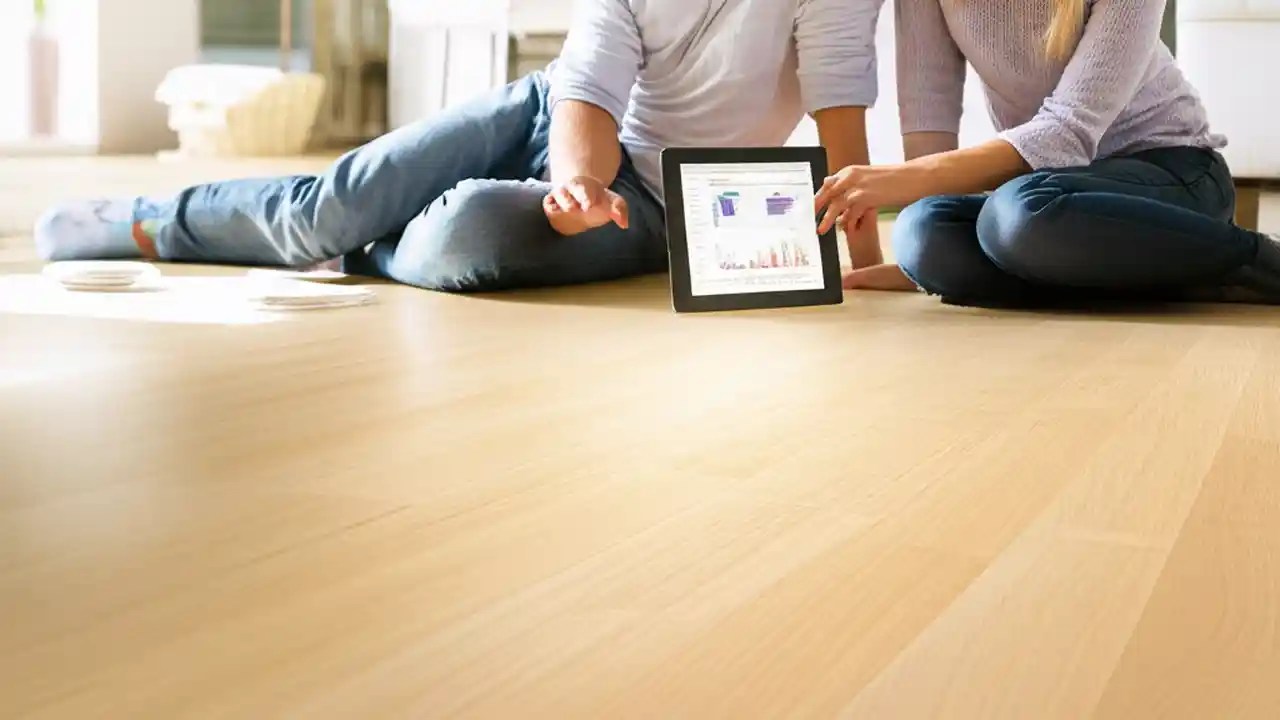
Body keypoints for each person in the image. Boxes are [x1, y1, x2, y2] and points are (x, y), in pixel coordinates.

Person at [34, 0, 886, 293]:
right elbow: (589, 85)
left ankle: (352, 254)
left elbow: (838, 120)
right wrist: (578, 183)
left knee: (471, 229)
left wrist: (861, 263)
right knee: (326, 211)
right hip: (555, 115)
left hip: (664, 204)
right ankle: (152, 222)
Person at [816, 0, 1280, 307]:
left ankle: (1256, 261)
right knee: (924, 233)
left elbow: (1069, 131)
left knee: (1019, 216)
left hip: (1173, 174)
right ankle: (1158, 272)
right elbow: (927, 108)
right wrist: (918, 248)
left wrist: (909, 178)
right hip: (1058, 194)